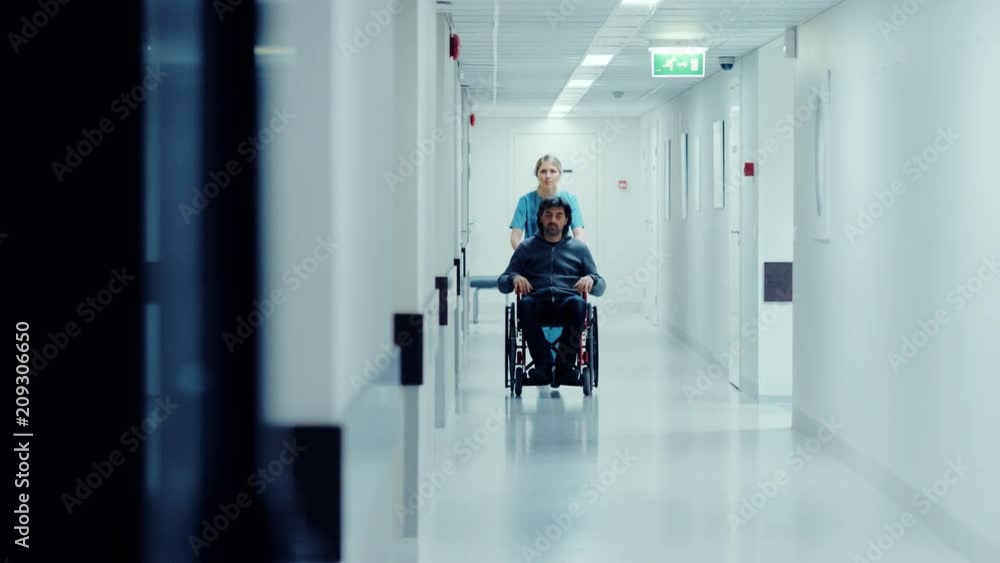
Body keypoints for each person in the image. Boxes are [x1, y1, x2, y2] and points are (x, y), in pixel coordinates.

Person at [498, 197, 606, 387]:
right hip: (537, 302)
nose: (553, 220)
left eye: (559, 215)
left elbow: (600, 286)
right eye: (548, 215)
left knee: (579, 304)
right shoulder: (526, 247)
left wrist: (591, 279)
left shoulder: (579, 249)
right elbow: (503, 282)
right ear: (540, 218)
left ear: (566, 220)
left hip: (567, 303)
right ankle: (543, 365)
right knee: (525, 304)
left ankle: (565, 367)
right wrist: (514, 278)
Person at [509, 154, 586, 250]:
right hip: (534, 257)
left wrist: (573, 256)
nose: (548, 176)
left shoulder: (570, 199)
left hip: (563, 257)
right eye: (543, 171)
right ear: (536, 174)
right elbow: (515, 237)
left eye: (553, 171)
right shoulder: (525, 201)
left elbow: (579, 234)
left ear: (559, 174)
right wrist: (525, 256)